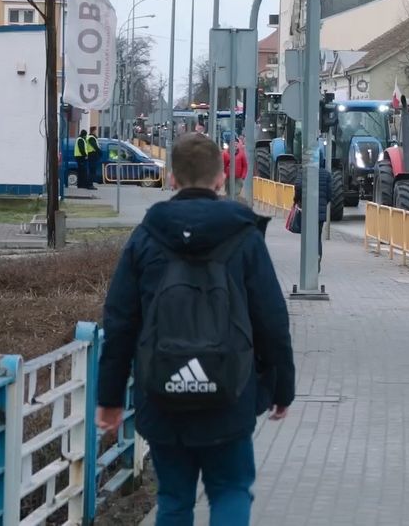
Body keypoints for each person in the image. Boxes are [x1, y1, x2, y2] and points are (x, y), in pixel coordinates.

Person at [96, 133, 294, 526]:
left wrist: (111, 397)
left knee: (172, 500)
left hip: (162, 392)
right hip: (231, 394)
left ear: (171, 179)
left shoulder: (146, 237)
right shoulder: (244, 237)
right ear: (221, 178)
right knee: (231, 490)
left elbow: (120, 321)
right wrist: (281, 388)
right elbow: (272, 318)